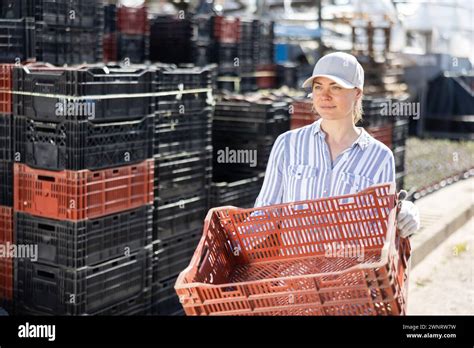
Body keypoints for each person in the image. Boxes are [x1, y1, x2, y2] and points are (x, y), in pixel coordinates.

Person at [254, 52, 420, 238]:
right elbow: (264, 214)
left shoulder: (379, 157)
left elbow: (382, 229)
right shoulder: (288, 144)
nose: (324, 96)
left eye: (336, 88)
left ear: (357, 93)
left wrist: (403, 212)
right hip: (295, 267)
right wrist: (232, 248)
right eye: (318, 87)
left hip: (353, 267)